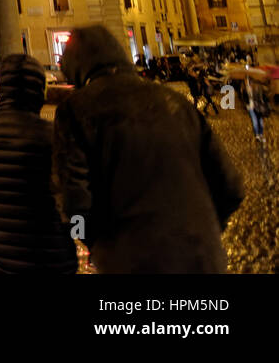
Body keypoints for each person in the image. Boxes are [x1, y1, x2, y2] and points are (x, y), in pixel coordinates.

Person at [54, 25, 244, 273]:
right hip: (202, 255)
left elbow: (74, 201)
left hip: (131, 259)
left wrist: (93, 242)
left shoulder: (76, 110)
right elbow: (231, 186)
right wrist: (205, 228)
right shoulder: (173, 100)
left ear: (77, 67)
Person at [0, 54, 76, 274]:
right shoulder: (51, 134)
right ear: (38, 89)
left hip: (5, 255)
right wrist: (80, 233)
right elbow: (75, 196)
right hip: (53, 254)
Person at [241, 72, 267, 142]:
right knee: (254, 121)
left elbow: (262, 96)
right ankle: (257, 135)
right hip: (251, 108)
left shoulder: (257, 87)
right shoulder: (244, 89)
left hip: (258, 106)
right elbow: (244, 98)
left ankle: (261, 134)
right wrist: (246, 104)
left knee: (260, 121)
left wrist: (262, 101)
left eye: (247, 81)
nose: (246, 82)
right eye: (245, 81)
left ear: (250, 81)